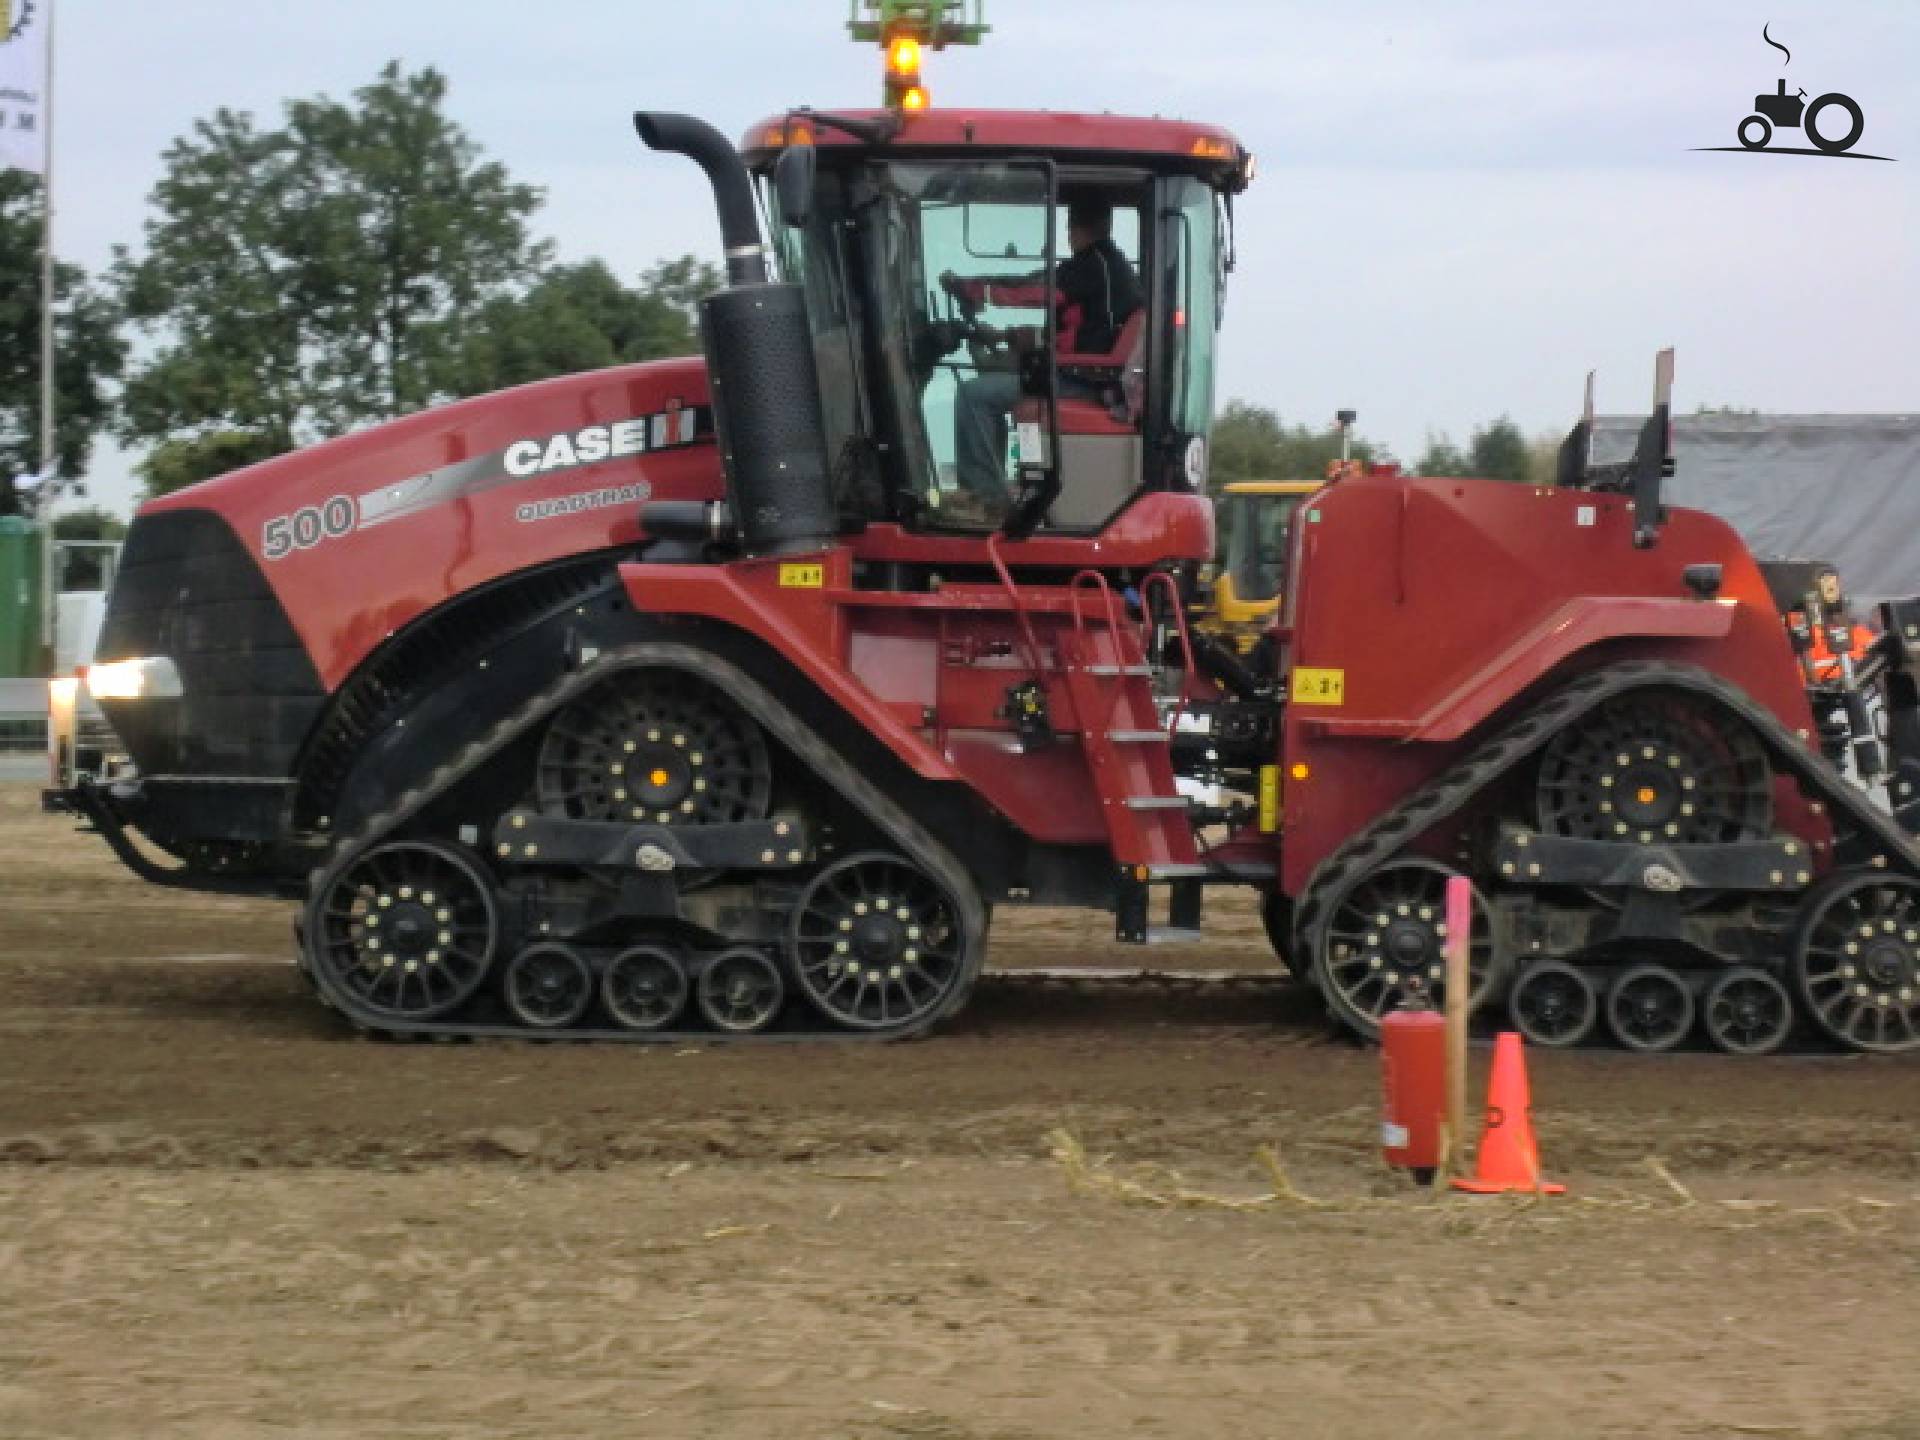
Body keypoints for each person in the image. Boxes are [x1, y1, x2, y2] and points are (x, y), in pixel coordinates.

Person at [939, 198, 1143, 521]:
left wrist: (969, 288)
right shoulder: (1110, 268)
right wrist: (1010, 339)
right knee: (995, 381)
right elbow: (1080, 329)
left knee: (972, 395)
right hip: (1087, 374)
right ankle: (996, 488)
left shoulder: (1091, 267)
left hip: (1080, 381)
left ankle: (986, 497)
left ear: (1073, 229)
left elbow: (1030, 291)